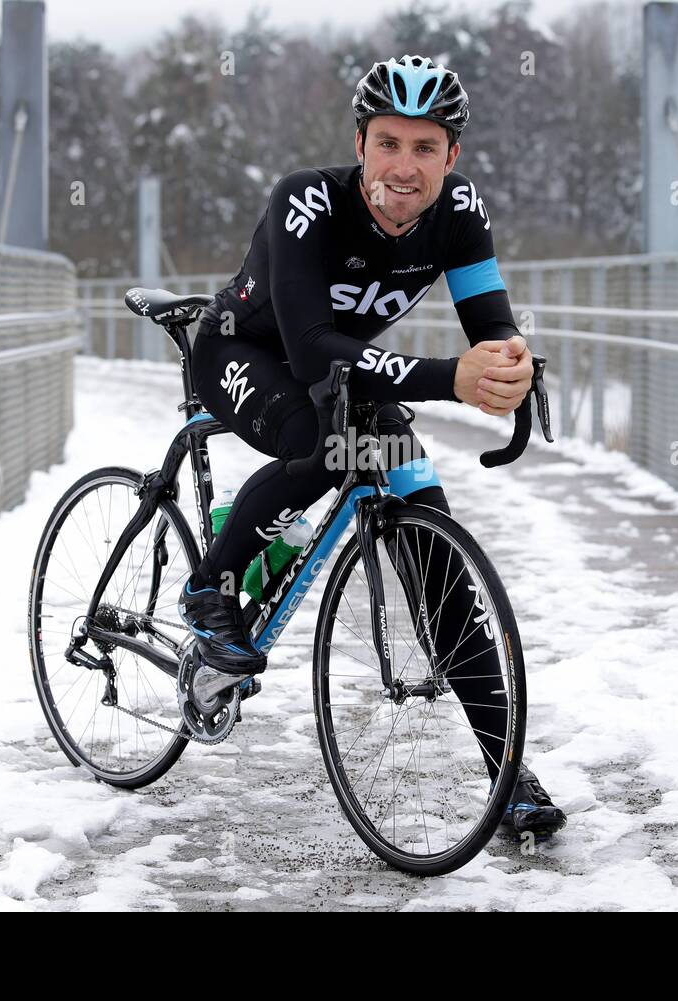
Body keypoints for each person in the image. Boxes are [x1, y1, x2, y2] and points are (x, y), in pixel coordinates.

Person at [178, 55, 565, 840]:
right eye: (388, 142)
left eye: (426, 149)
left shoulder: (460, 213)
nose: (404, 166)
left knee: (444, 579)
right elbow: (315, 349)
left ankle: (508, 776)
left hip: (344, 373)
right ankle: (210, 587)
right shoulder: (306, 200)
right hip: (245, 352)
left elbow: (491, 325)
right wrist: (449, 379)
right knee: (323, 444)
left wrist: (511, 365)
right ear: (360, 141)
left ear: (452, 158)